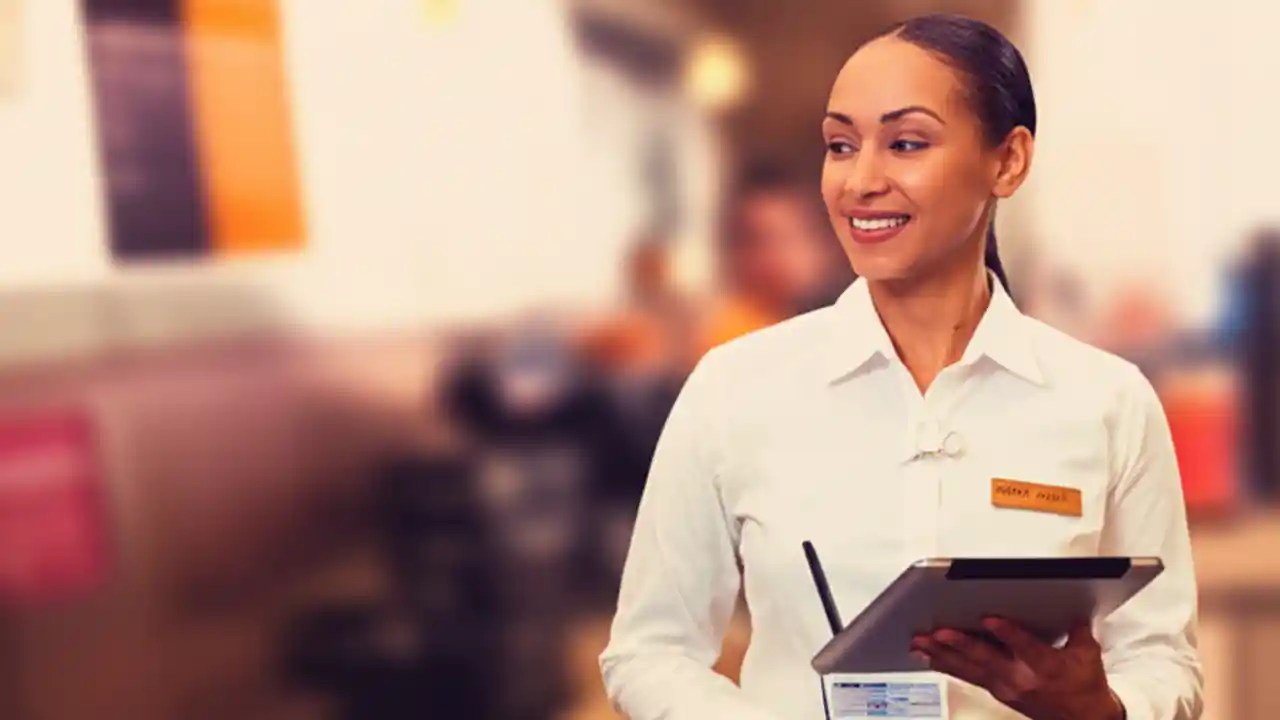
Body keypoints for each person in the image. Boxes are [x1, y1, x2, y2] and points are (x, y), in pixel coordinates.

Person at [599, 14, 1202, 720]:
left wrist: (1106, 709)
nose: (860, 180)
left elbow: (1166, 659)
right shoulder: (735, 390)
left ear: (1007, 160)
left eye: (906, 143)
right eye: (840, 145)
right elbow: (649, 651)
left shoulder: (1109, 403)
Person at [697, 166, 852, 357]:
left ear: (826, 247)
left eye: (785, 239)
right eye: (752, 241)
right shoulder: (722, 336)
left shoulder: (856, 329)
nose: (770, 257)